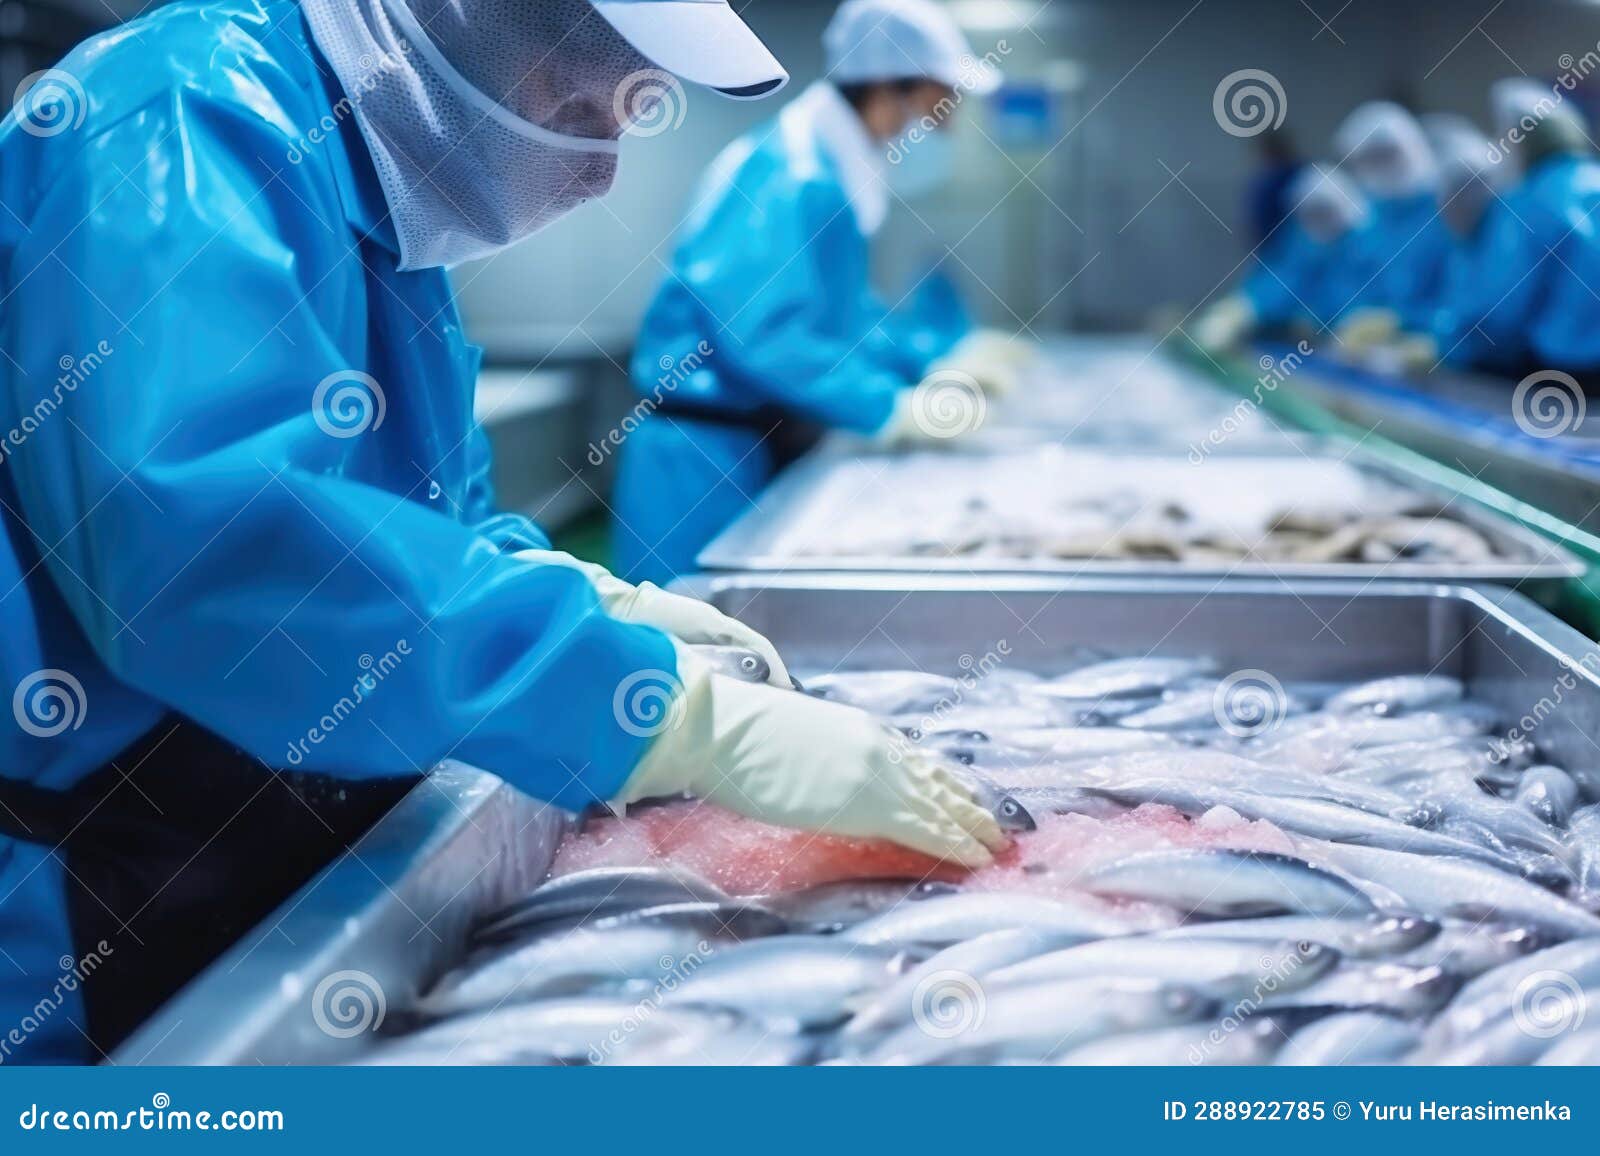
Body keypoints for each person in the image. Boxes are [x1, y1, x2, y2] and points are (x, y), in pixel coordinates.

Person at [0, 0, 1002, 1064]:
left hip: (254, 796)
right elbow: (212, 552)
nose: (598, 165)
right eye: (578, 96)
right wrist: (669, 715)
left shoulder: (377, 195)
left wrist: (585, 594)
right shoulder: (183, 116)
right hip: (94, 855)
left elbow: (427, 518)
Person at [613, 0, 1029, 586]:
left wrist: (932, 358)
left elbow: (843, 317)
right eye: (941, 100)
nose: (948, 121)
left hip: (752, 437)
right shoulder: (792, 173)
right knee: (683, 637)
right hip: (701, 457)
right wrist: (887, 406)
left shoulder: (830, 168)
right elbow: (761, 332)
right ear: (891, 88)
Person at [1193, 164, 1372, 352]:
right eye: (1313, 214)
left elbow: (1383, 298)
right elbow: (1280, 281)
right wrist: (1244, 307)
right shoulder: (1302, 245)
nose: (1320, 220)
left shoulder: (1367, 247)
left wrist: (1368, 325)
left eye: (1326, 212)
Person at [1327, 102, 1454, 355]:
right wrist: (1356, 321)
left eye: (1387, 155)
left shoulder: (1451, 206)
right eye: (1371, 160)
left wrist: (1408, 323)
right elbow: (1354, 288)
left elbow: (1470, 299)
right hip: (1385, 365)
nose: (1382, 167)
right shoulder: (1372, 220)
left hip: (1449, 359)